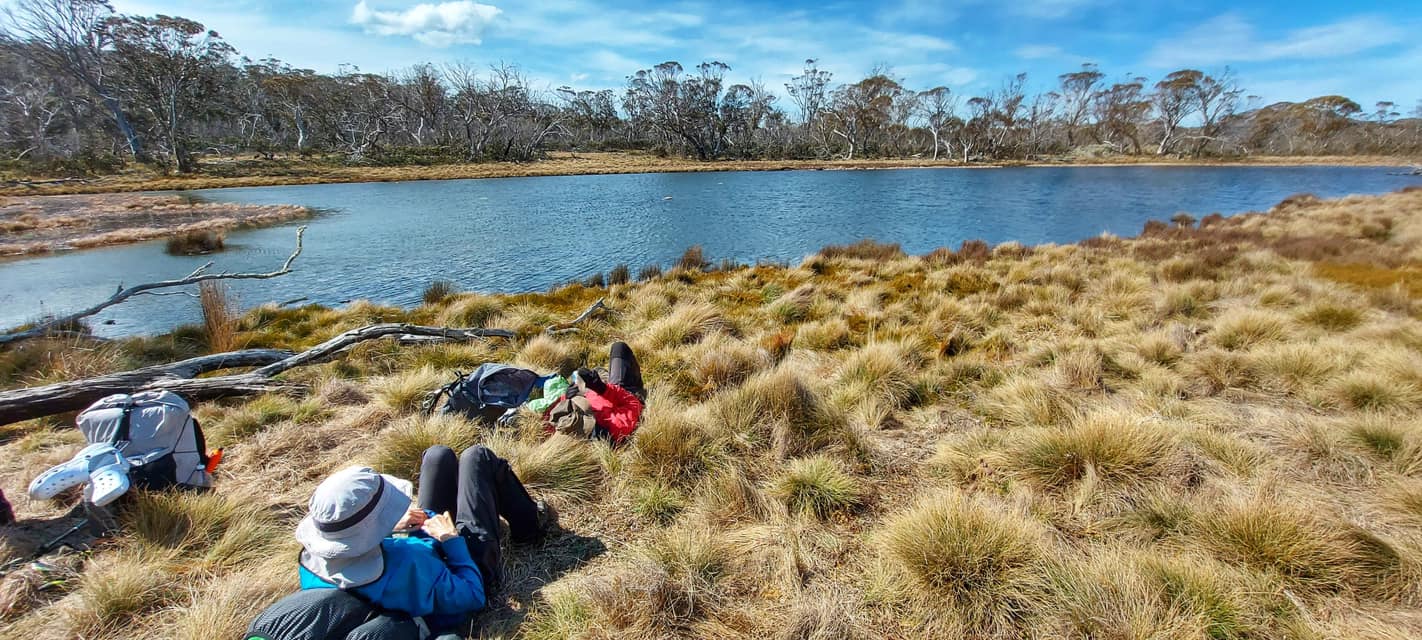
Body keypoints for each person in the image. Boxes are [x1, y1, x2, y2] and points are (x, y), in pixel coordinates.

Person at [294, 446, 556, 635]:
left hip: (418, 560)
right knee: (477, 457)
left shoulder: (311, 561)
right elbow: (472, 595)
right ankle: (530, 526)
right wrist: (451, 541)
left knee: (437, 455)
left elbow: (356, 555)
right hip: (461, 570)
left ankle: (468, 506)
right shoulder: (410, 564)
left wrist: (387, 528)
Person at [569, 342, 646, 444]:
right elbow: (633, 405)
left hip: (590, 392)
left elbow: (552, 417)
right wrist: (602, 388)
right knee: (619, 347)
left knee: (596, 370)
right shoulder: (615, 428)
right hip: (624, 392)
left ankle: (601, 373)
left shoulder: (568, 425)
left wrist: (568, 398)